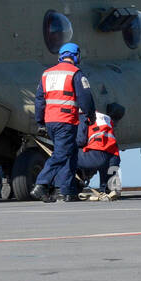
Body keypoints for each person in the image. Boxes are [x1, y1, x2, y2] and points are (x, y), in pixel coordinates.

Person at [31, 42, 94, 203]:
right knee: (60, 154)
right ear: (75, 56)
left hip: (50, 121)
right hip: (66, 121)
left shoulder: (47, 74)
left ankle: (66, 191)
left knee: (70, 154)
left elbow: (39, 101)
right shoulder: (75, 73)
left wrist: (40, 123)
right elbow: (85, 97)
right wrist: (90, 115)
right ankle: (41, 184)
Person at [76, 103, 124, 201]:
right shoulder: (105, 118)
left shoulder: (84, 117)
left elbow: (80, 140)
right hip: (114, 156)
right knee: (108, 168)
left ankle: (65, 189)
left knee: (65, 155)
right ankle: (109, 189)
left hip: (97, 155)